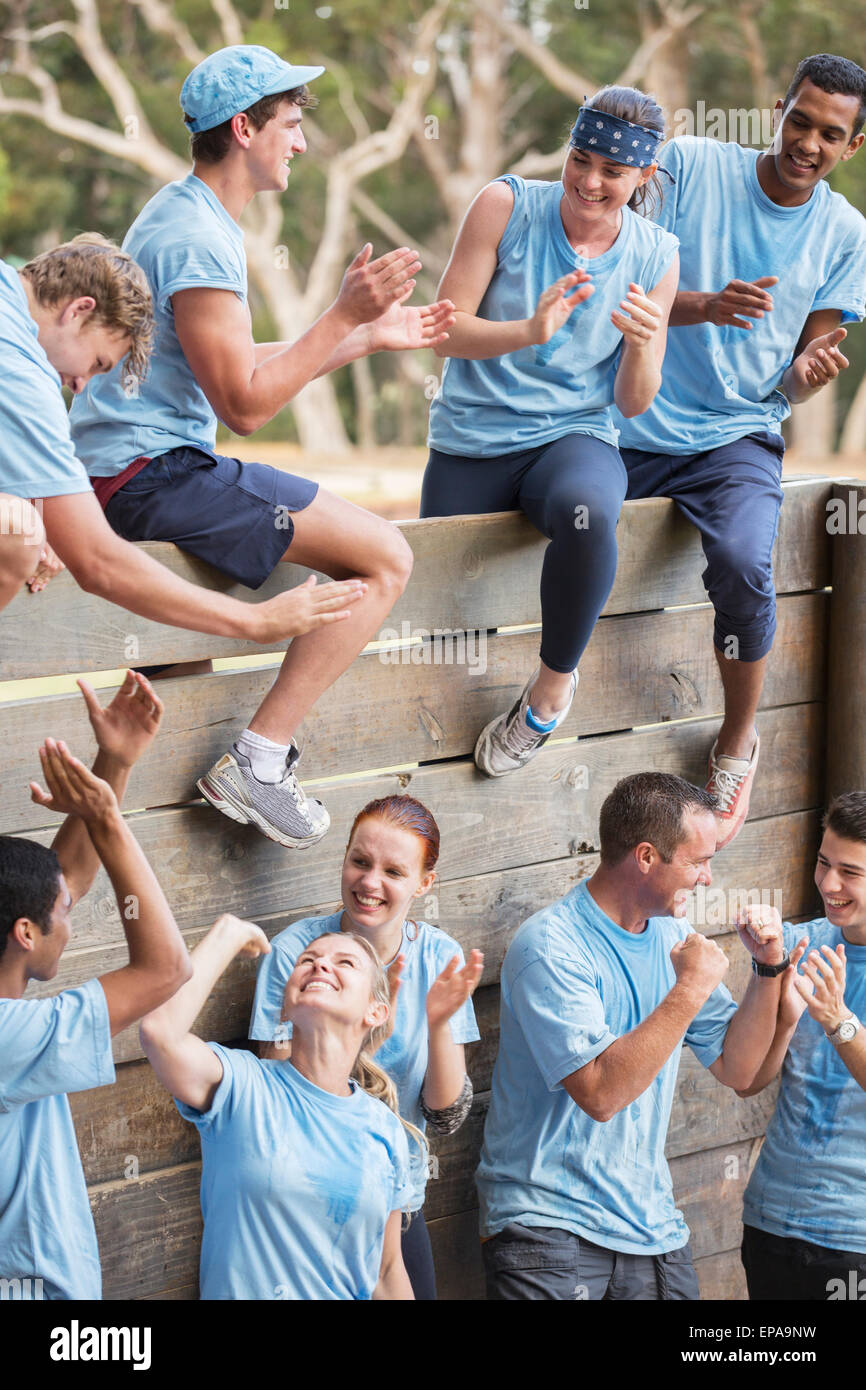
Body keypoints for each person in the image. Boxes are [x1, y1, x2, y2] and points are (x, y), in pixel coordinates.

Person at [69, 44, 455, 849]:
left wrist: (363, 338)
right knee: (385, 557)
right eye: (291, 123)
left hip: (137, 473)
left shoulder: (186, 215)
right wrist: (341, 317)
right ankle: (260, 756)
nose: (302, 142)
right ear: (244, 128)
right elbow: (244, 405)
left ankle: (126, 842)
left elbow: (237, 368)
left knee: (177, 679)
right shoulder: (199, 240)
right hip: (153, 477)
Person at [615, 54, 866, 849]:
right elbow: (622, 273)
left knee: (743, 561)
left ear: (853, 147)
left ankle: (735, 741)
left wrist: (801, 378)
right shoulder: (690, 165)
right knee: (552, 529)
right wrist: (702, 307)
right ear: (777, 108)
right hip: (628, 414)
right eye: (800, 121)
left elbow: (795, 381)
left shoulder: (847, 234)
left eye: (831, 134)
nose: (808, 144)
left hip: (735, 436)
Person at [422, 85, 679, 778]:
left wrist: (643, 345)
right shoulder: (504, 205)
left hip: (573, 437)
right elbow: (445, 333)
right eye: (581, 159)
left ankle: (549, 693)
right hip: (472, 440)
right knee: (445, 632)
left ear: (644, 176)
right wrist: (528, 331)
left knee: (591, 513)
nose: (590, 182)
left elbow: (632, 403)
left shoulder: (656, 254)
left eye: (613, 172)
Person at [476, 771, 789, 1301]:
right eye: (698, 861)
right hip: (549, 1224)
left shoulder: (670, 935)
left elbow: (738, 1069)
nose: (707, 878)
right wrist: (688, 989)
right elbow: (601, 1094)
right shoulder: (551, 946)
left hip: (651, 1227)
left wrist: (767, 972)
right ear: (646, 856)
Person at [0, 234, 363, 643]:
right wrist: (254, 621)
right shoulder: (24, 374)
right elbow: (97, 561)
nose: (81, 386)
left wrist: (37, 505)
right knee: (17, 533)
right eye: (97, 362)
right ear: (80, 310)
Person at [0, 672, 190, 1299]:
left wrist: (113, 764)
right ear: (25, 934)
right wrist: (106, 820)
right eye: (66, 916)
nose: (72, 921)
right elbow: (166, 968)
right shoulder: (10, 1038)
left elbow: (62, 882)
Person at [248, 794, 483, 1299]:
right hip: (305, 1203)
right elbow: (285, 1103)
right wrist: (368, 1034)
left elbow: (445, 1116)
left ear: (425, 883)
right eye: (359, 861)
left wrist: (438, 1024)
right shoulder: (300, 954)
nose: (369, 882)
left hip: (396, 1206)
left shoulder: (440, 955)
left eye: (394, 871)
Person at [141, 921, 422, 1300]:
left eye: (345, 963)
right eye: (307, 960)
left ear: (376, 1012)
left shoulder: (384, 1128)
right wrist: (226, 935)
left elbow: (387, 1271)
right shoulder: (242, 1086)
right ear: (286, 1005)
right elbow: (160, 1033)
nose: (320, 966)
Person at [738, 792, 866, 1300]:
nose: (829, 885)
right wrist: (770, 972)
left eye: (850, 872)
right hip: (771, 1224)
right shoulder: (797, 945)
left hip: (856, 1240)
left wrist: (838, 1022)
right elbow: (750, 1081)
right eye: (823, 862)